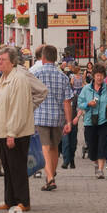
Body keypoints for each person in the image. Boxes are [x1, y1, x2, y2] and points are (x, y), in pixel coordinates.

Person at [0, 45, 42, 213]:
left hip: (16, 132)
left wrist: (12, 133)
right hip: (3, 130)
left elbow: (17, 109)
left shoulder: (18, 79)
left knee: (17, 167)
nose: (0, 62)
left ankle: (23, 201)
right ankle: (10, 199)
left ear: (12, 62)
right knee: (8, 167)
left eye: (3, 60)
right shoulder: (3, 78)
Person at [31, 45, 73, 192]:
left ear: (42, 58)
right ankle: (52, 173)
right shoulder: (62, 76)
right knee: (54, 147)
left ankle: (50, 178)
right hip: (57, 117)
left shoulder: (35, 73)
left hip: (40, 115)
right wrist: (69, 121)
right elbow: (67, 101)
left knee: (44, 146)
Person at [76, 67, 107, 177]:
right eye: (97, 75)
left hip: (104, 121)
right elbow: (80, 103)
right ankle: (95, 163)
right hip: (90, 121)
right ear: (93, 76)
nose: (99, 77)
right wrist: (88, 104)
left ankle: (100, 170)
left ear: (104, 76)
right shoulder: (86, 89)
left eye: (101, 75)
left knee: (102, 145)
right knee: (92, 146)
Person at [59, 67, 82, 170]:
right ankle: (65, 161)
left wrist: (77, 117)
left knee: (73, 143)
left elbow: (79, 108)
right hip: (64, 122)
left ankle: (71, 160)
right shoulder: (61, 97)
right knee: (65, 142)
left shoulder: (75, 97)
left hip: (73, 122)